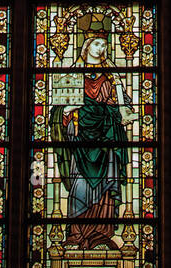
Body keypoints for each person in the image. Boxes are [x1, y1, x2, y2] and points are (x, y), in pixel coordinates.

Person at [49, 35, 131, 249]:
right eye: (96, 43)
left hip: (106, 139)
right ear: (85, 46)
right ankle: (77, 233)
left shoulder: (112, 77)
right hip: (81, 138)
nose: (100, 47)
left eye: (104, 44)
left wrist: (119, 112)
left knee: (105, 188)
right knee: (80, 185)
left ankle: (101, 233)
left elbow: (122, 105)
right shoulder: (74, 74)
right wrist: (67, 111)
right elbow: (59, 111)